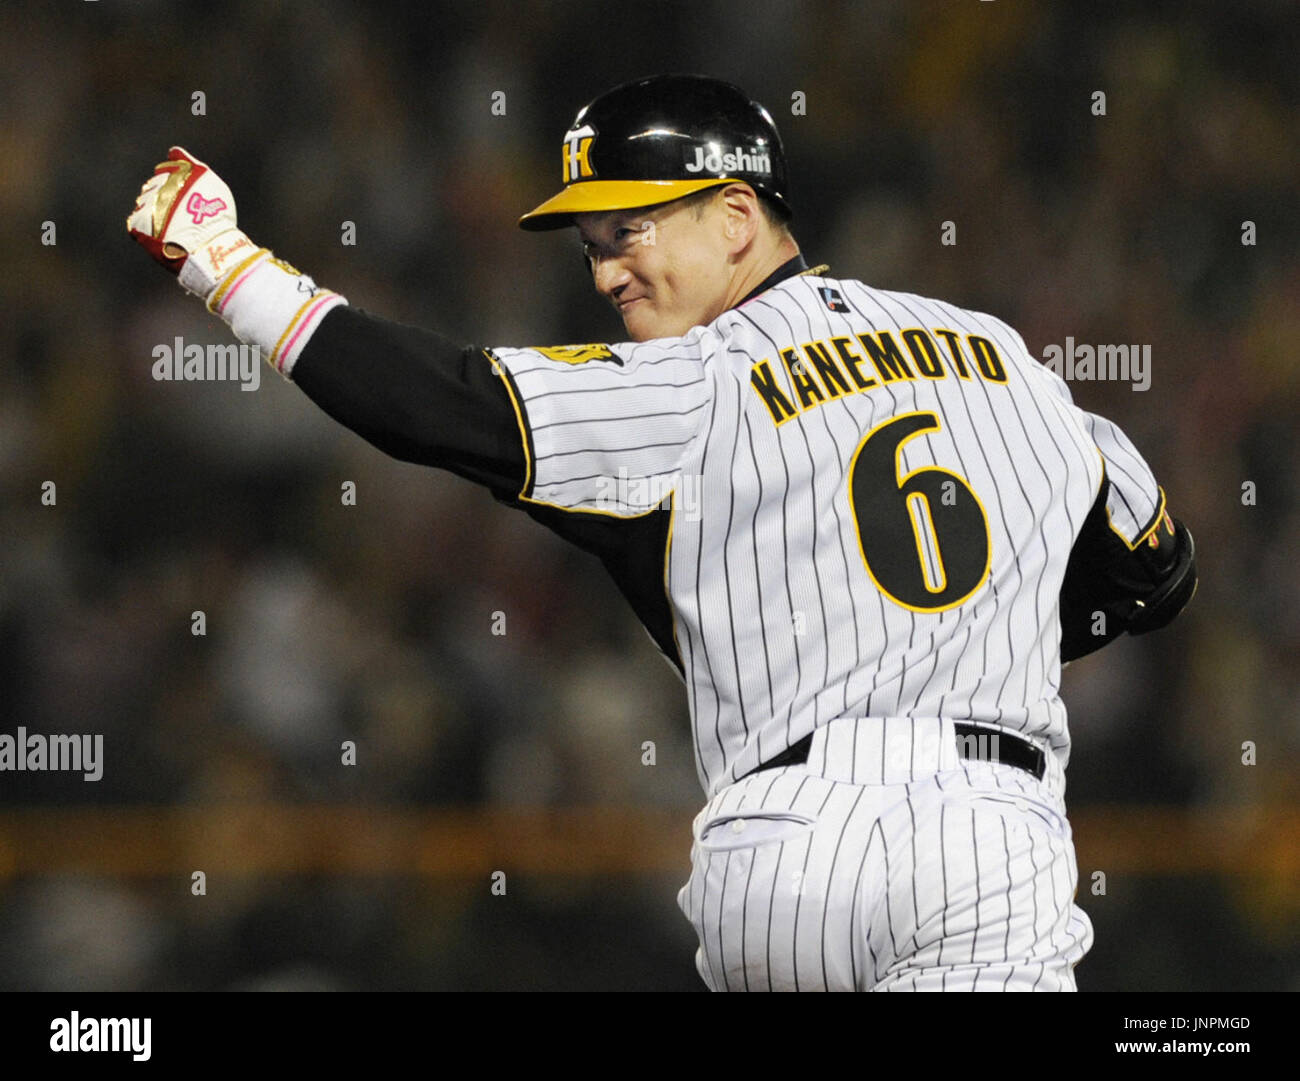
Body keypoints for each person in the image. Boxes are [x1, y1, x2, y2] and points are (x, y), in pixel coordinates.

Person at [126, 74, 1196, 991]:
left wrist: (226, 264)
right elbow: (1154, 563)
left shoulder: (694, 382)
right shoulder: (1003, 358)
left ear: (736, 218)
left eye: (627, 230)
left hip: (782, 849)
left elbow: (446, 405)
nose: (602, 272)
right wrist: (993, 632)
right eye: (594, 245)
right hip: (985, 828)